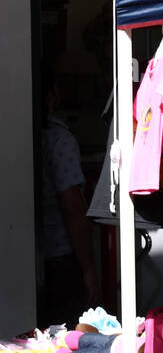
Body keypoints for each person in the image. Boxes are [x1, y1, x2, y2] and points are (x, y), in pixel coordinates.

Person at [39, 63, 100, 326]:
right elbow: (73, 207)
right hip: (61, 261)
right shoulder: (58, 140)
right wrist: (88, 269)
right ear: (52, 95)